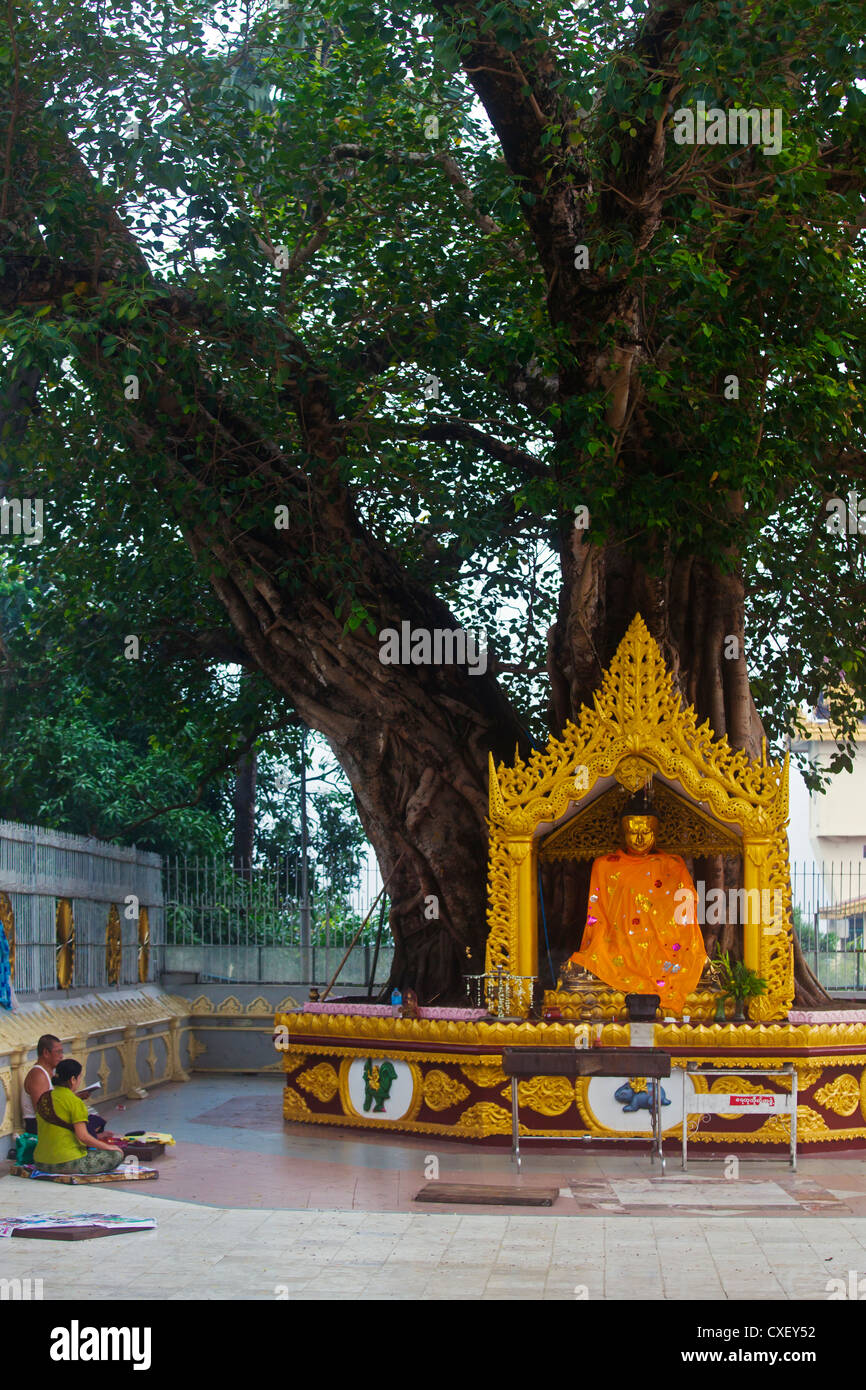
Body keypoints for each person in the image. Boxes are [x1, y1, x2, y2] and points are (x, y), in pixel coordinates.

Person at [563, 784, 706, 1013]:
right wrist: (601, 944)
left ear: (656, 831)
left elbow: (686, 917)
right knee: (577, 970)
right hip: (616, 947)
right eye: (632, 831)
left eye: (646, 831)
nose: (639, 838)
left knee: (695, 969)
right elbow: (596, 917)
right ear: (622, 832)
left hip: (664, 950)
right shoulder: (605, 866)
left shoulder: (672, 866)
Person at [32, 1059, 125, 1175]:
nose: (80, 1081)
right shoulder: (75, 1102)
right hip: (67, 1163)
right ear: (73, 1079)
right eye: (80, 1077)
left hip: (40, 1162)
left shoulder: (44, 1097)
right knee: (116, 1154)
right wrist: (109, 1147)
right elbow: (83, 1137)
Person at [21, 1034, 63, 1136]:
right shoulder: (38, 1075)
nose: (61, 1056)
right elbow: (42, 1111)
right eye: (58, 1052)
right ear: (45, 1053)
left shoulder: (49, 1073)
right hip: (38, 1126)